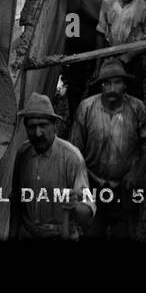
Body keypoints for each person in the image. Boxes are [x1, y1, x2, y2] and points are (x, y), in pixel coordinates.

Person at [68, 61, 146, 240]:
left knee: (125, 232)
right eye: (106, 83)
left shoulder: (136, 108)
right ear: (100, 86)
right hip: (93, 183)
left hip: (125, 186)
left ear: (125, 85)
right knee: (93, 232)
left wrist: (136, 172)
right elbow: (74, 151)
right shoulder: (86, 109)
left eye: (117, 82)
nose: (111, 88)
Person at [11, 93, 95, 240]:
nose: (38, 133)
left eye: (43, 125)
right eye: (32, 127)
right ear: (25, 128)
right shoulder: (22, 154)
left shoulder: (71, 157)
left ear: (54, 125)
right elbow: (16, 203)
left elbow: (87, 213)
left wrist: (74, 206)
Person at [96, 0, 146, 90]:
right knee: (109, 90)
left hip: (133, 58)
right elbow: (101, 32)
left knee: (133, 89)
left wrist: (129, 56)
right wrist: (98, 66)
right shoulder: (107, 3)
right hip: (110, 56)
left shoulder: (143, 8)